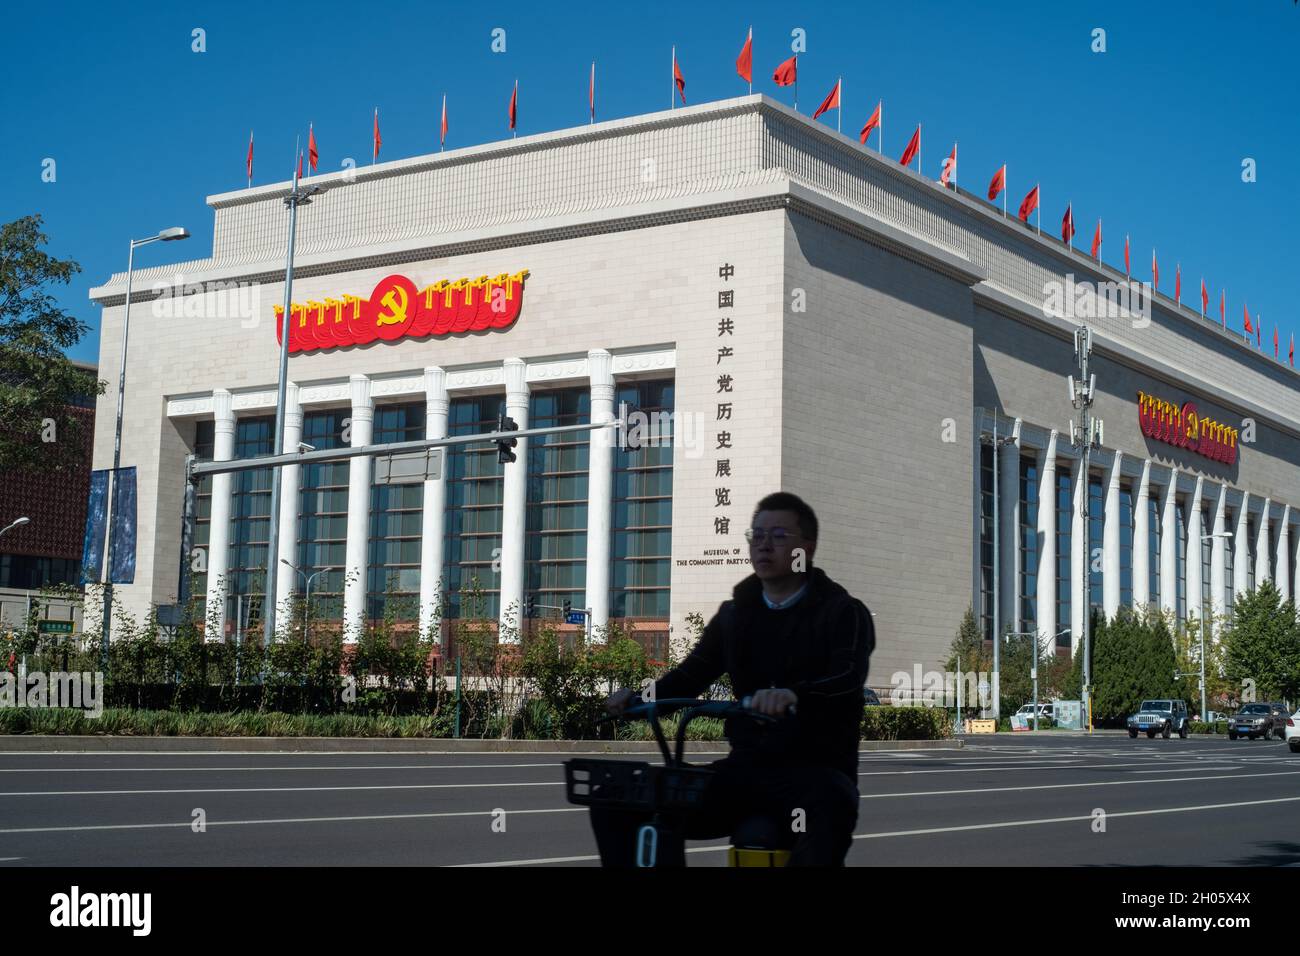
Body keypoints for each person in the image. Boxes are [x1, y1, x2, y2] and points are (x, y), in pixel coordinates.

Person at [589, 491, 875, 866]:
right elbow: (690, 675)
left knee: (822, 824)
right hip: (744, 772)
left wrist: (794, 695)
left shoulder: (844, 613)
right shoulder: (735, 615)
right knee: (617, 797)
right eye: (756, 535)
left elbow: (847, 678)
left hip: (816, 774)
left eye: (778, 536)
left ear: (808, 545)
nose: (764, 545)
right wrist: (637, 697)